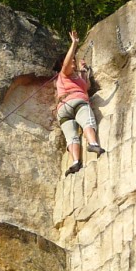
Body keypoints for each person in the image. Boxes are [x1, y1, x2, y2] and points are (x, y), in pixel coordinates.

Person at [56, 30, 105, 173]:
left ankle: (76, 162)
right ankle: (93, 144)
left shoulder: (76, 77)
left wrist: (83, 71)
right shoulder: (64, 73)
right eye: (72, 62)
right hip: (76, 101)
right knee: (87, 121)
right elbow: (66, 63)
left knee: (71, 137)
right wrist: (74, 44)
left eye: (74, 62)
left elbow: (87, 86)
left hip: (63, 108)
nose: (73, 63)